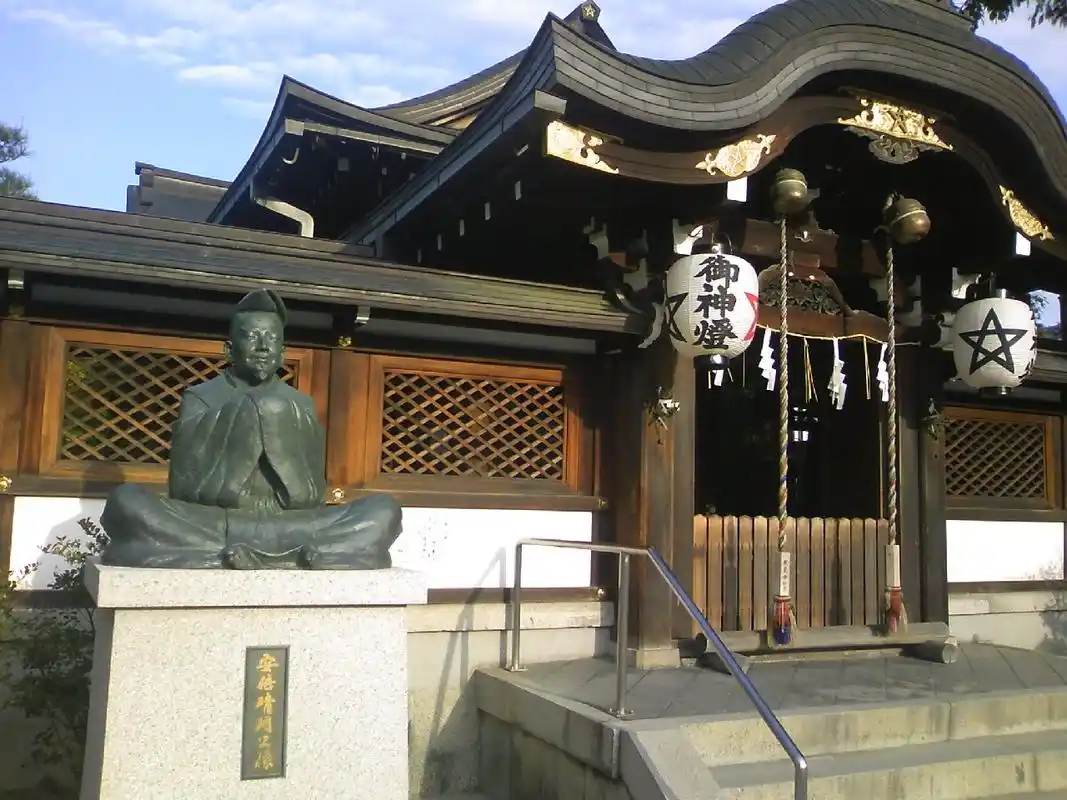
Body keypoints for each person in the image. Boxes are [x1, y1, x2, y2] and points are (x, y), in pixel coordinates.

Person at [99, 288, 401, 570]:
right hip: (216, 521)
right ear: (229, 349)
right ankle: (314, 555)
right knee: (126, 501)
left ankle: (240, 554)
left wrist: (276, 417)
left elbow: (309, 494)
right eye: (252, 337)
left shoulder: (300, 403)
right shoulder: (201, 397)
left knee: (384, 510)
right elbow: (185, 486)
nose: (262, 347)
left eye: (272, 339)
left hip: (293, 524)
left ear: (283, 352)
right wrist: (251, 414)